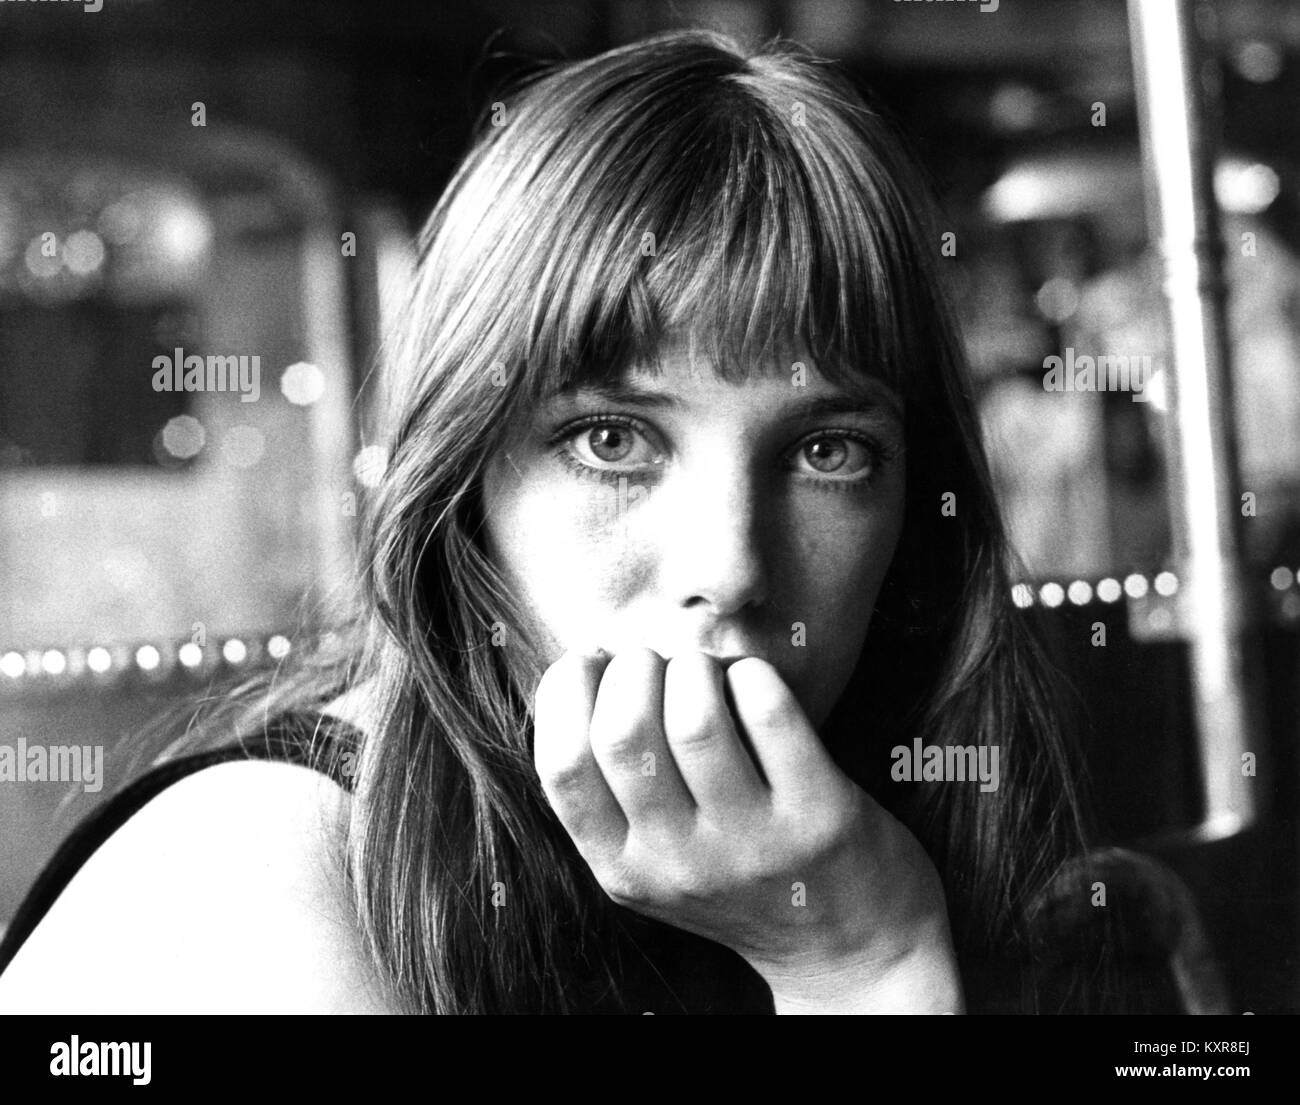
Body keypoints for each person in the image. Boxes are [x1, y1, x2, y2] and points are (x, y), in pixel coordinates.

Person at [0, 28, 1155, 1014]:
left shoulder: (898, 841)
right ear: (463, 486)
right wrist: (863, 970)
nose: (729, 567)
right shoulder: (255, 885)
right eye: (613, 440)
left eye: (825, 450)